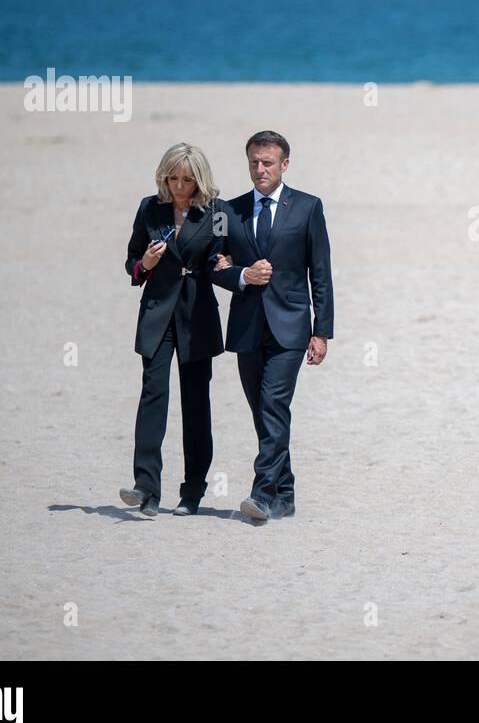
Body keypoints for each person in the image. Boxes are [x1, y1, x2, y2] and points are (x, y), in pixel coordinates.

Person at [210, 130, 334, 523]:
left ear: (285, 164)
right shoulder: (224, 211)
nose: (260, 169)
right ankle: (286, 493)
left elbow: (321, 273)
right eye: (254, 162)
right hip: (247, 328)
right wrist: (244, 275)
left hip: (291, 328)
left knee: (273, 405)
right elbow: (212, 266)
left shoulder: (309, 207)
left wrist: (321, 331)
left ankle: (262, 495)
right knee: (264, 415)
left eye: (267, 162)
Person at [120, 143, 231, 517]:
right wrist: (146, 263)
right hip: (157, 313)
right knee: (153, 396)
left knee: (196, 404)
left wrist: (226, 263)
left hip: (197, 314)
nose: (180, 186)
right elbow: (132, 262)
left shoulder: (218, 211)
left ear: (199, 179)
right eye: (173, 178)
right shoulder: (149, 208)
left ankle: (193, 491)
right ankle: (145, 488)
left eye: (187, 179)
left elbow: (226, 254)